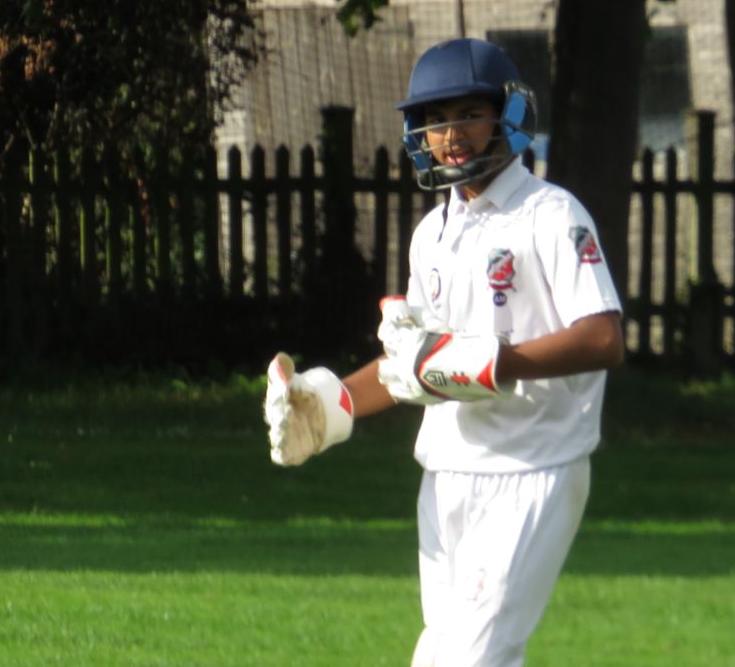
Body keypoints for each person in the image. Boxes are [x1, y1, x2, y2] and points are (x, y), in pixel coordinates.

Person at [263, 37, 626, 667]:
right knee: (444, 654)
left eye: (466, 114)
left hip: (533, 466)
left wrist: (495, 362)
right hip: (447, 471)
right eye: (434, 120)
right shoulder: (433, 233)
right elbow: (417, 363)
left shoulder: (550, 214)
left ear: (506, 115)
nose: (449, 133)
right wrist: (326, 404)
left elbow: (604, 338)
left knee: (469, 661)